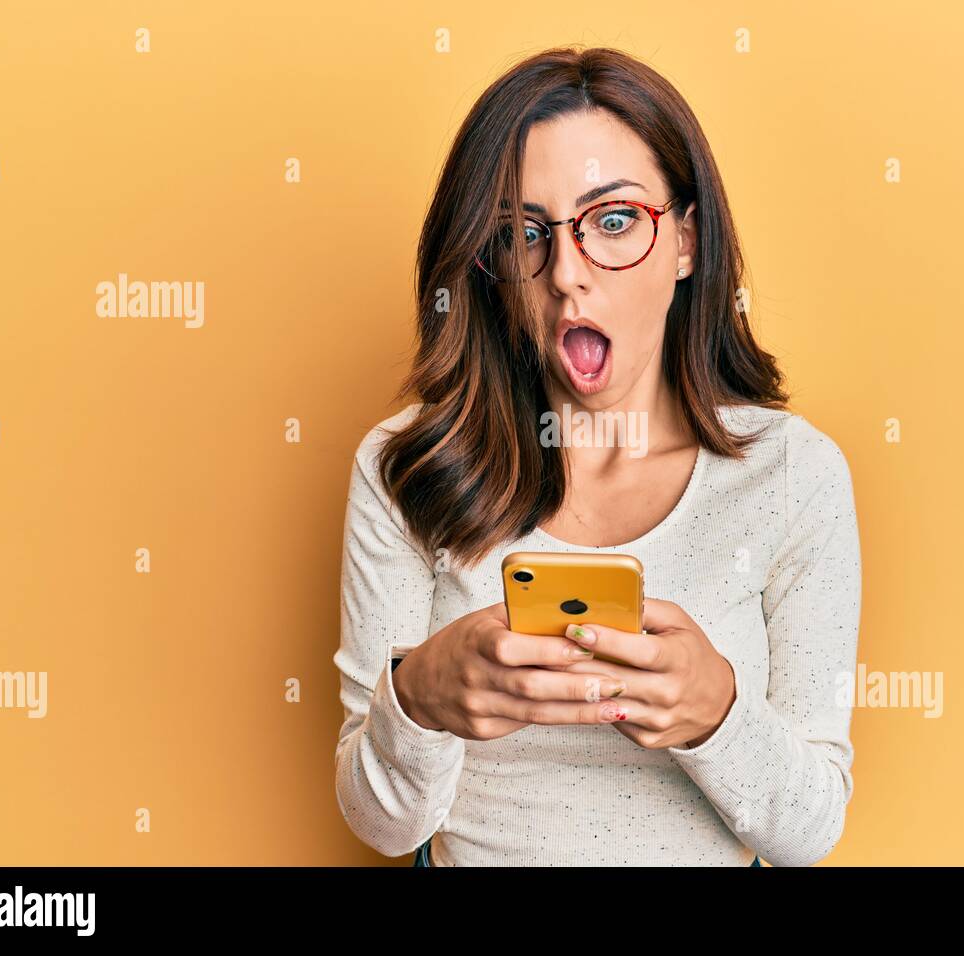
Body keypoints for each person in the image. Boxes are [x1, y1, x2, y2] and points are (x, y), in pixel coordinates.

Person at [333, 46, 861, 867]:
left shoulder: (793, 476)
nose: (567, 276)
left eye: (613, 220)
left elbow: (808, 830)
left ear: (685, 241)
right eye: (524, 234)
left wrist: (718, 713)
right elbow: (384, 825)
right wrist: (418, 700)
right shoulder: (409, 468)